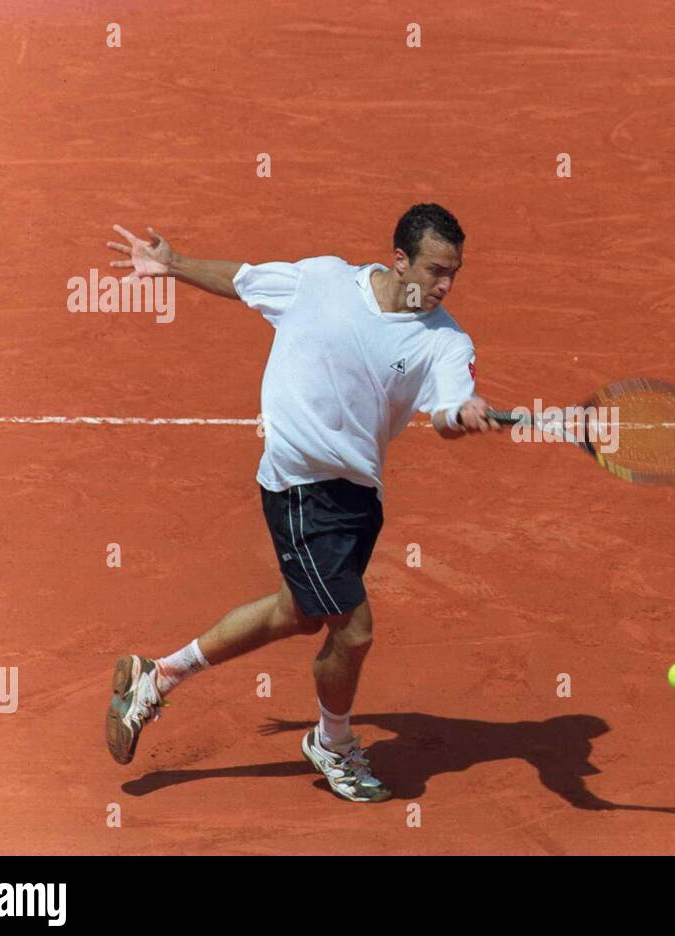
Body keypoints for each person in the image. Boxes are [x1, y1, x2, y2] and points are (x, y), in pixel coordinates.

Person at [102, 203, 502, 802]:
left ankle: (156, 677)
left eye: (454, 274)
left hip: (359, 496)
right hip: (297, 487)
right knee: (355, 631)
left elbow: (446, 409)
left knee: (297, 612)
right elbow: (243, 281)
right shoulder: (322, 282)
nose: (444, 285)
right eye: (435, 270)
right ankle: (332, 742)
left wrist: (460, 415)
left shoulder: (444, 341)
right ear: (400, 260)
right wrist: (172, 263)